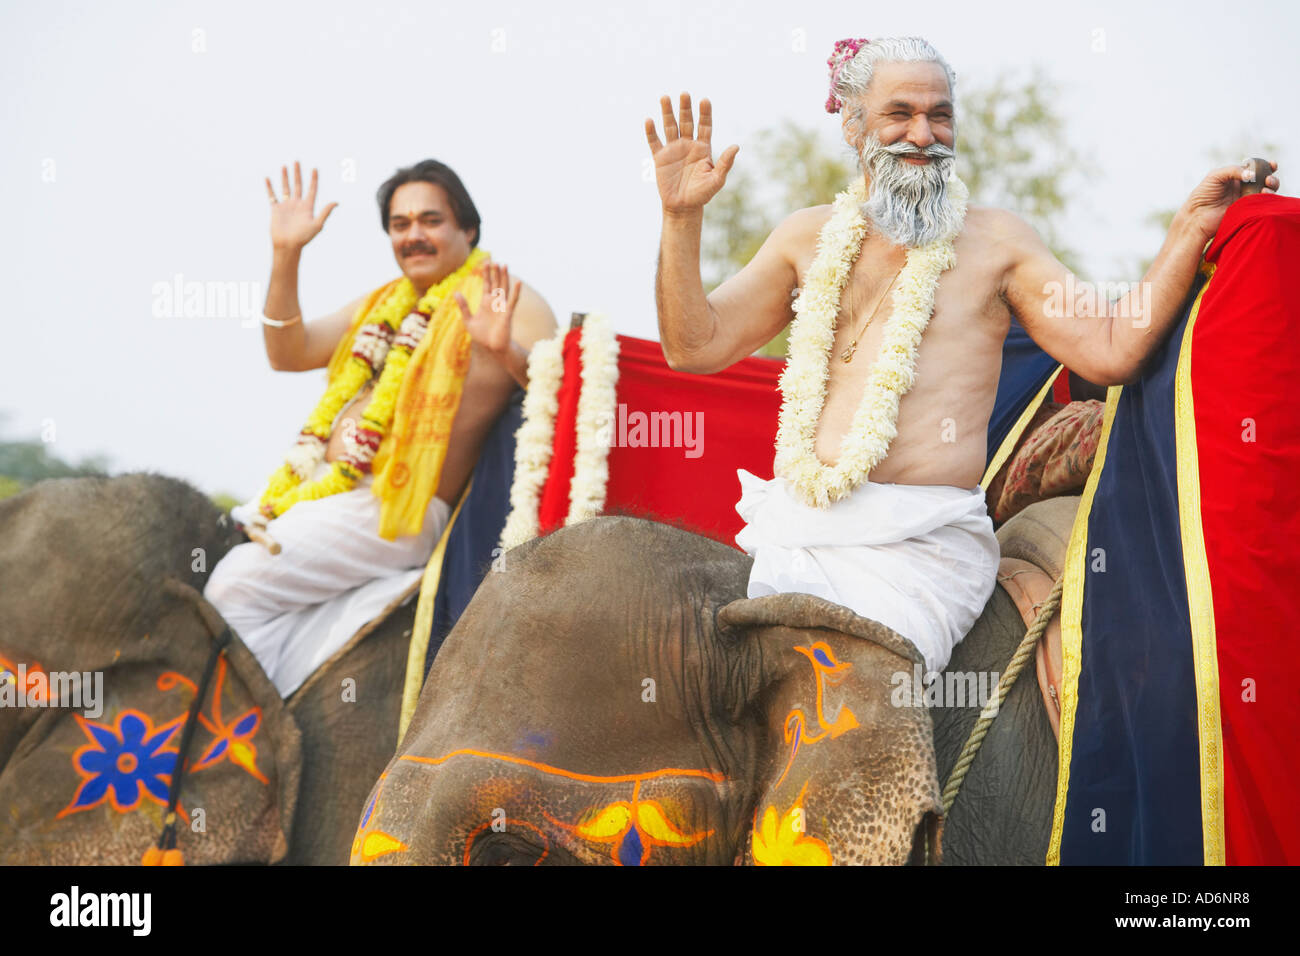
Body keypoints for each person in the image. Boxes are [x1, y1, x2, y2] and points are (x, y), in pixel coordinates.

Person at [647, 36, 1279, 675]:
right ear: (852, 122)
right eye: (901, 113)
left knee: (856, 700)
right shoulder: (805, 238)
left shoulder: (997, 242)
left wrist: (1191, 227)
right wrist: (680, 219)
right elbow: (693, 347)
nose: (923, 134)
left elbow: (1110, 348)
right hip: (799, 531)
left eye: (940, 115)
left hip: (922, 549)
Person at [205, 159, 557, 696]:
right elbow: (287, 350)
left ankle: (253, 732)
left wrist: (502, 349)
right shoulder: (382, 304)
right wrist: (286, 255)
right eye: (400, 224)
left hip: (399, 512)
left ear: (468, 228)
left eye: (431, 220)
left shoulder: (504, 297)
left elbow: (559, 392)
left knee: (233, 586)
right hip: (327, 491)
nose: (413, 234)